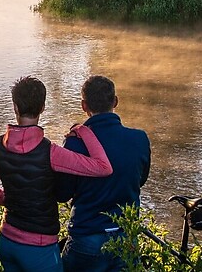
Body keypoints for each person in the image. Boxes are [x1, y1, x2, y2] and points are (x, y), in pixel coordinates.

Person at [0, 76, 115, 272]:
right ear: (42, 108)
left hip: (7, 242)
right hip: (39, 249)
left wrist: (15, 199)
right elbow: (103, 167)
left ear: (15, 107)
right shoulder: (51, 152)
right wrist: (84, 131)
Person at [57, 75, 151, 272]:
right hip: (126, 238)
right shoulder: (140, 139)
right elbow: (139, 181)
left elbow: (63, 193)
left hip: (87, 237)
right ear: (115, 101)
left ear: (84, 106)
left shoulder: (75, 142)